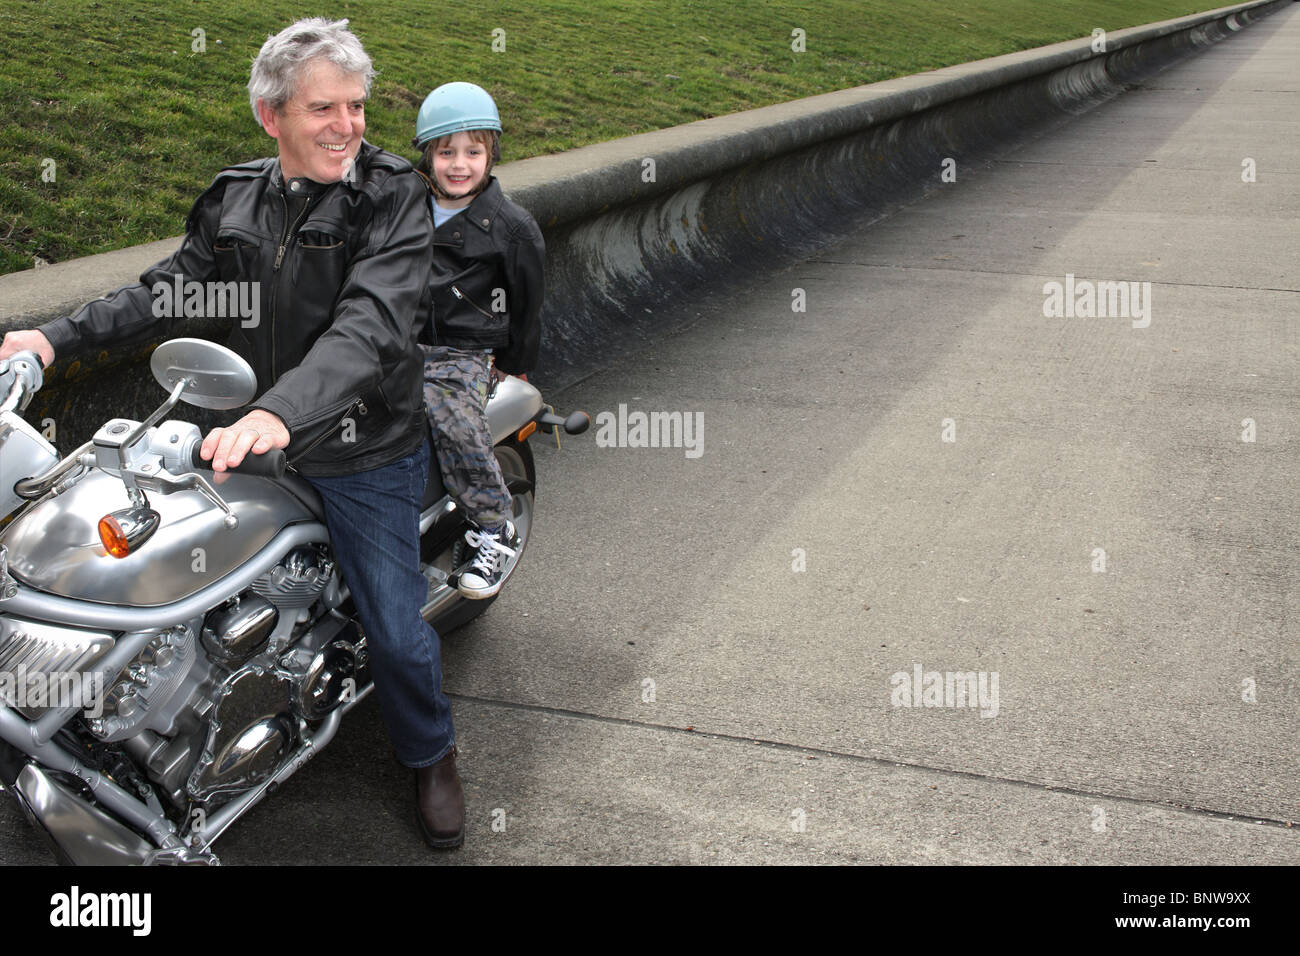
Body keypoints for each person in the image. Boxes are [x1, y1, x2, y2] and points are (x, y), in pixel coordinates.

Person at [0, 18, 466, 849]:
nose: (348, 126)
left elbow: (369, 327)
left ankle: (430, 754)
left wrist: (279, 412)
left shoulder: (391, 195)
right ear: (271, 116)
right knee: (142, 577)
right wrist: (52, 337)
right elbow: (171, 292)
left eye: (356, 107)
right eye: (324, 108)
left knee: (397, 630)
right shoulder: (236, 197)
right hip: (237, 433)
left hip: (358, 447)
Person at [412, 82, 545, 598]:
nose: (460, 164)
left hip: (463, 350)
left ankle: (493, 522)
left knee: (454, 420)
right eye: (446, 152)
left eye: (474, 151)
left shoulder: (512, 228)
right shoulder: (408, 207)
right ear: (428, 156)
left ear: (491, 154)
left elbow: (527, 303)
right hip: (400, 339)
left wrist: (512, 364)